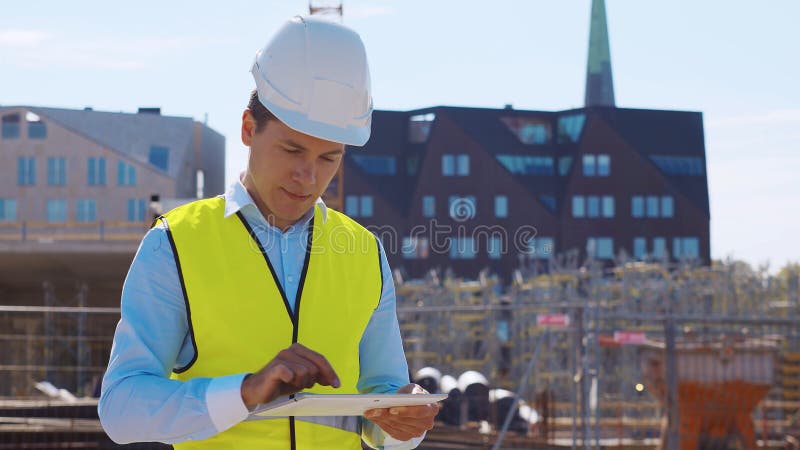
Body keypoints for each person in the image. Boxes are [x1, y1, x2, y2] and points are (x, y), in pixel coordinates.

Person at [98, 16, 438, 449]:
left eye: (329, 158)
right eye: (292, 149)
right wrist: (244, 392)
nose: (307, 176)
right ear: (248, 129)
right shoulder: (175, 244)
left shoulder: (364, 252)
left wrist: (403, 421)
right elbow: (121, 410)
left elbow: (382, 406)